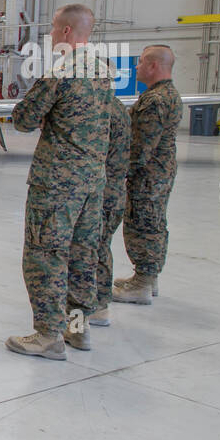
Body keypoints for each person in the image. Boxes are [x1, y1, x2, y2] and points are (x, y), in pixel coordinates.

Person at [5, 4, 112, 359]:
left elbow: (23, 119)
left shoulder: (61, 71)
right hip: (93, 181)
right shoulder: (103, 72)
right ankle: (78, 329)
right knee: (83, 253)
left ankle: (48, 334)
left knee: (45, 254)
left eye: (53, 29)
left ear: (66, 32)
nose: (50, 36)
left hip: (57, 183)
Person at [113, 45, 184, 305]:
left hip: (148, 175)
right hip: (160, 171)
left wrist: (119, 171)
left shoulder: (155, 100)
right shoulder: (167, 94)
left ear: (154, 65)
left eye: (141, 62)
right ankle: (147, 277)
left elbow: (141, 147)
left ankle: (142, 283)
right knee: (154, 223)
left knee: (142, 224)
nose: (136, 67)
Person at [90, 84, 131, 327]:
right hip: (115, 189)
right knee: (101, 245)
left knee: (93, 248)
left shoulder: (100, 109)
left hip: (101, 190)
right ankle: (99, 301)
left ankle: (97, 306)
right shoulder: (118, 108)